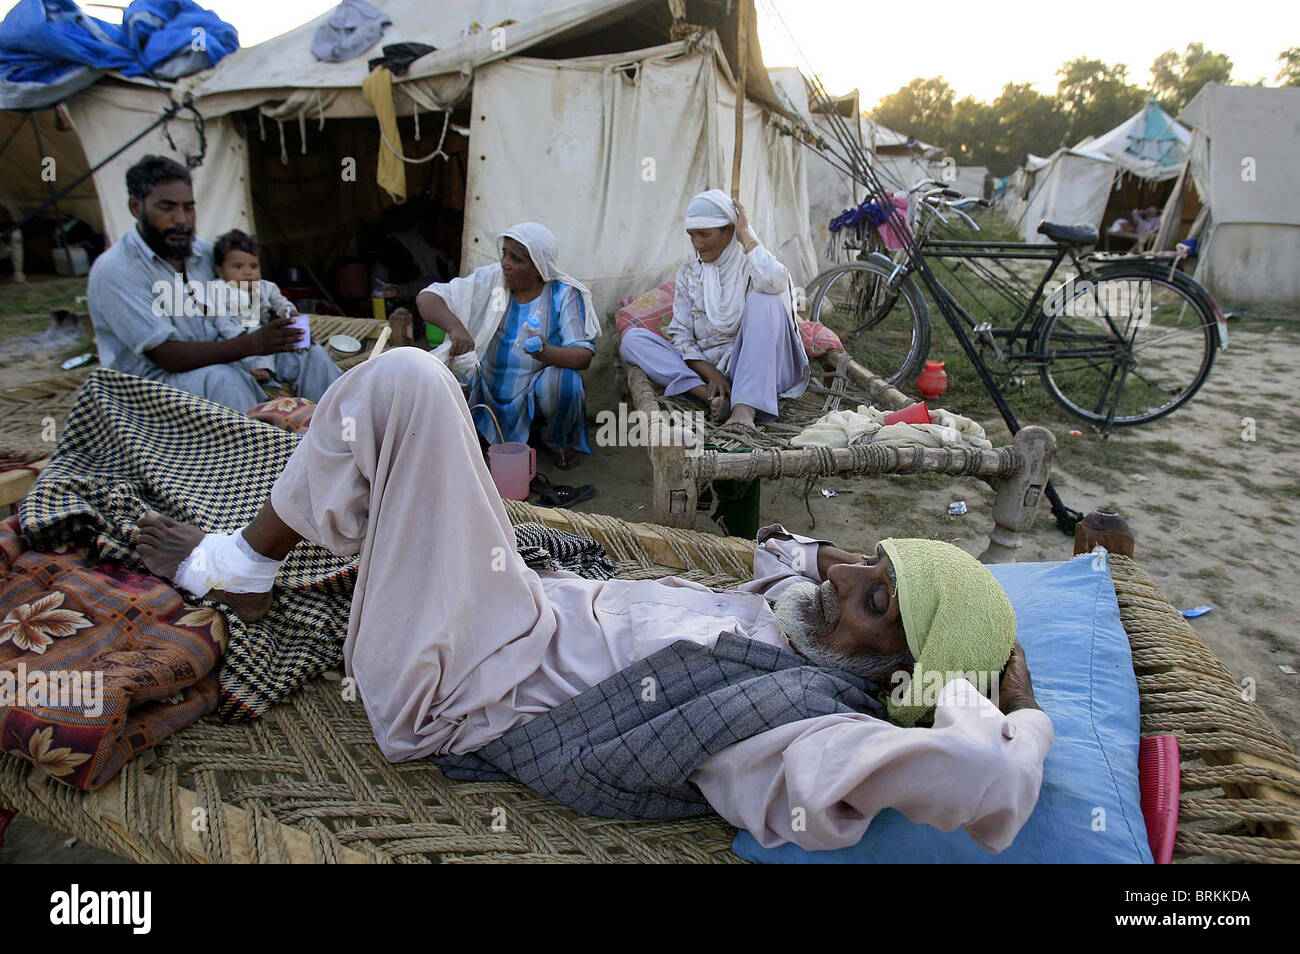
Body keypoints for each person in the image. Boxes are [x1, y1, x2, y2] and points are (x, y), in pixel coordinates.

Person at [135, 348, 1054, 852]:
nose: (847, 583)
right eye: (870, 569)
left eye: (877, 604)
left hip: (459, 678)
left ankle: (238, 569)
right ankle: (279, 544)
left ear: (894, 675)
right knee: (407, 427)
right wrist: (864, 573)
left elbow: (985, 784)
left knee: (408, 385)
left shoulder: (803, 726)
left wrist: (1012, 710)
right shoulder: (789, 616)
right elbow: (791, 558)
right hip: (512, 602)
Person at [86, 155, 341, 411]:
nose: (182, 220)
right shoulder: (115, 271)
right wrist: (252, 344)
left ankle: (343, 433)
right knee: (223, 380)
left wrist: (279, 323)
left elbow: (247, 297)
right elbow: (165, 356)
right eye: (167, 208)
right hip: (150, 387)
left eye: (188, 207)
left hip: (226, 356)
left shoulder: (204, 253)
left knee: (308, 354)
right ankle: (266, 447)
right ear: (135, 207)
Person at [620, 189, 809, 429]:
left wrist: (745, 234)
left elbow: (776, 281)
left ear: (728, 230)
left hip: (761, 370)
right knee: (633, 340)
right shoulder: (689, 273)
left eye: (704, 234)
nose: (697, 243)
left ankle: (744, 410)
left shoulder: (755, 266)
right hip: (712, 371)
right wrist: (712, 375)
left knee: (766, 298)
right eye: (691, 235)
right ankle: (710, 396)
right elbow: (681, 333)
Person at [416, 222, 598, 470]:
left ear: (538, 268)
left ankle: (558, 441)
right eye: (504, 254)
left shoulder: (563, 294)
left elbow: (582, 356)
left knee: (564, 383)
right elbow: (427, 297)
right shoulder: (492, 280)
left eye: (517, 259)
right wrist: (456, 328)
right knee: (440, 377)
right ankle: (487, 431)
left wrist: (544, 352)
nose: (505, 263)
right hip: (487, 387)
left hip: (533, 389)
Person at [210, 229, 301, 385]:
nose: (247, 273)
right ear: (220, 270)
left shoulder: (266, 287)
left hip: (260, 335)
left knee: (273, 334)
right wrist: (242, 338)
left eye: (253, 266)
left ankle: (270, 368)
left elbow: (280, 302)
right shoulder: (218, 289)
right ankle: (260, 371)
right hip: (233, 336)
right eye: (238, 267)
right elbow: (221, 319)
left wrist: (289, 312)